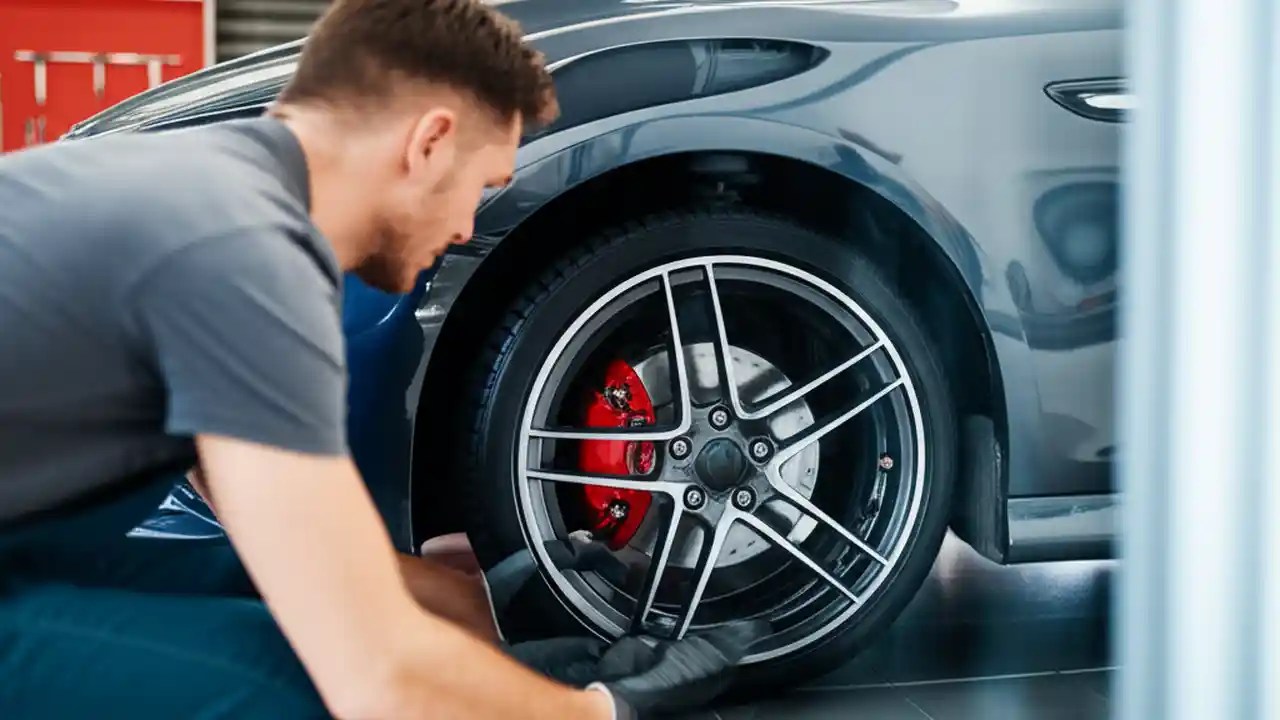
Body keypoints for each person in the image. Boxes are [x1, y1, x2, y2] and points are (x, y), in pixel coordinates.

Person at [0, 0, 760, 717]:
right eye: (481, 185)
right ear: (429, 141)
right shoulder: (243, 253)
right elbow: (374, 683)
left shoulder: (201, 186)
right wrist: (599, 709)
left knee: (260, 594)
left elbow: (273, 538)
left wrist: (463, 612)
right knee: (298, 692)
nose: (466, 227)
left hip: (30, 539)